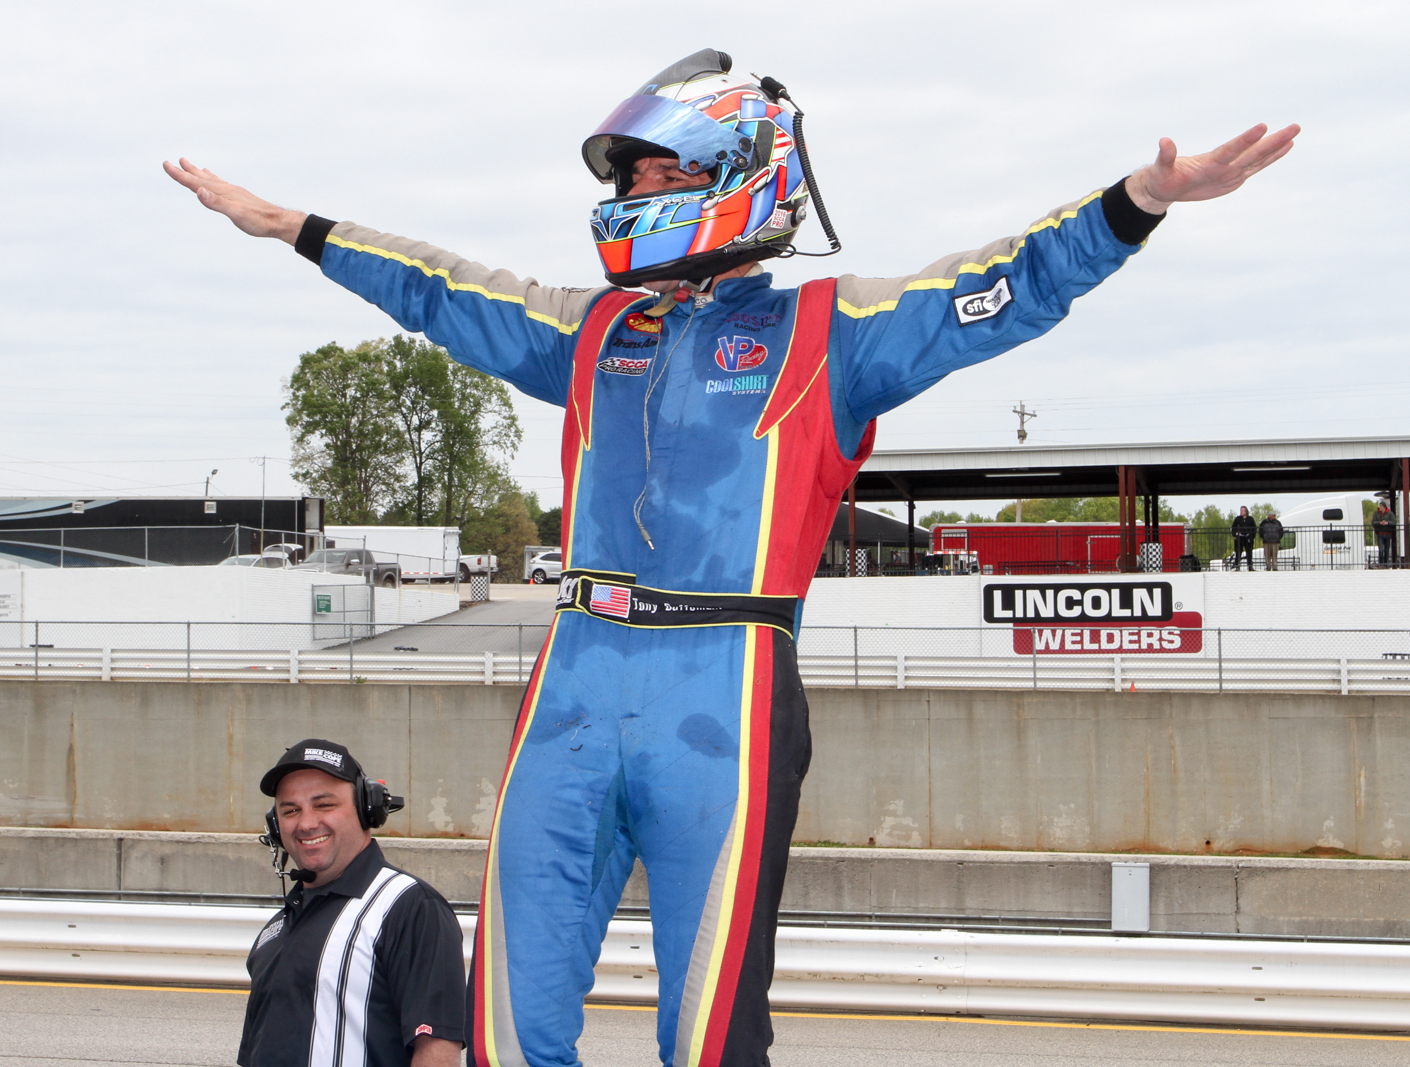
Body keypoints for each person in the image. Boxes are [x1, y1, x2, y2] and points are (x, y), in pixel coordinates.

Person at [167, 50, 1297, 1067]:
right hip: (570, 670)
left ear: (732, 172)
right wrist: (301, 227)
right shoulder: (592, 326)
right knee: (508, 1011)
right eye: (625, 183)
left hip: (730, 676)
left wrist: (1138, 203)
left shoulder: (830, 326)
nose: (628, 199)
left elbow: (996, 292)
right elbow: (442, 288)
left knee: (707, 1025)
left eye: (652, 177)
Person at [239, 739, 465, 1067]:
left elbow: (437, 1052)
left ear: (365, 808)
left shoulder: (411, 909)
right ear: (276, 825)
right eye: (290, 810)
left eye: (324, 805)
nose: (305, 823)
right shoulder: (278, 927)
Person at [1230, 506, 1256, 571]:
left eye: (1242, 510)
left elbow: (1254, 528)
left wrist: (1252, 537)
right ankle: (1237, 566)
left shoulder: (1250, 519)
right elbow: (1233, 527)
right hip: (1239, 538)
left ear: (1246, 511)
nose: (1241, 512)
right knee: (1238, 552)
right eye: (1241, 510)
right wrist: (1235, 535)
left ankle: (1250, 566)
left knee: (1249, 553)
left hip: (1248, 538)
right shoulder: (1237, 519)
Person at [1373, 502, 1398, 568]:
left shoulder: (1390, 513)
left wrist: (1387, 523)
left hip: (1388, 534)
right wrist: (1380, 523)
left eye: (1380, 506)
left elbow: (1394, 522)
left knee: (1387, 550)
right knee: (1381, 550)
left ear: (1384, 507)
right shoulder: (1376, 513)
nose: (1379, 507)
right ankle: (1381, 564)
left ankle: (1385, 564)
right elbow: (1373, 522)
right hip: (1380, 534)